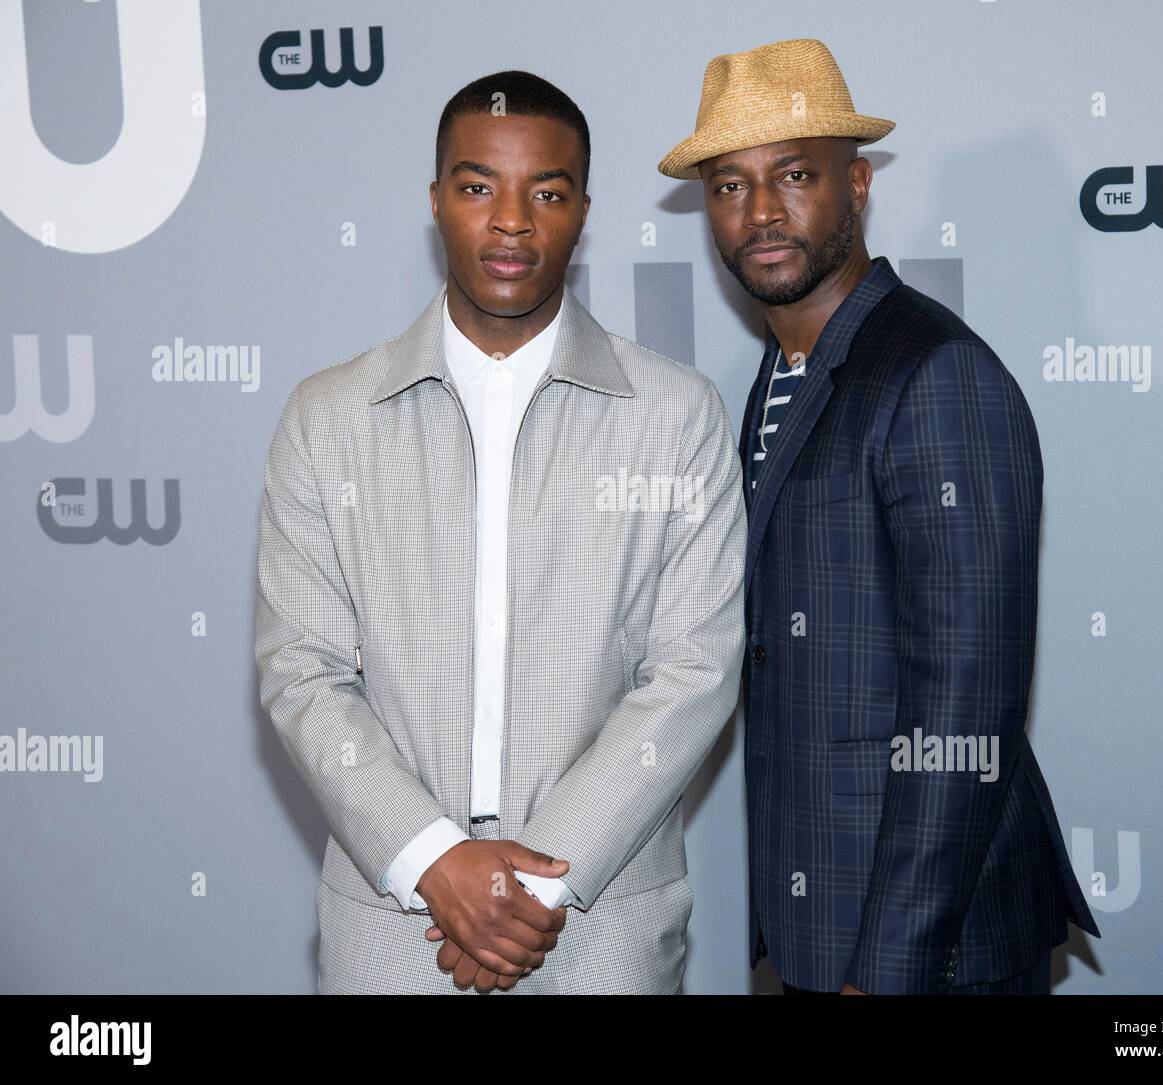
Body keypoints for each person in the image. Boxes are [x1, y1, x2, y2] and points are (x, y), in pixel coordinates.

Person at [256, 70, 746, 994]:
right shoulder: (327, 418)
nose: (511, 221)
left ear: (584, 211)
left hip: (601, 919)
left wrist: (528, 882)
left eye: (547, 193)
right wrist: (435, 858)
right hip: (389, 912)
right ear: (436, 199)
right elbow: (302, 668)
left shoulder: (676, 416)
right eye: (478, 187)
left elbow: (696, 670)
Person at [658, 37, 1101, 994]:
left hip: (926, 949)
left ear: (857, 186)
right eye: (729, 186)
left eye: (794, 175)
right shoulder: (781, 373)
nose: (761, 211)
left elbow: (965, 710)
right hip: (823, 924)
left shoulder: (937, 374)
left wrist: (889, 969)